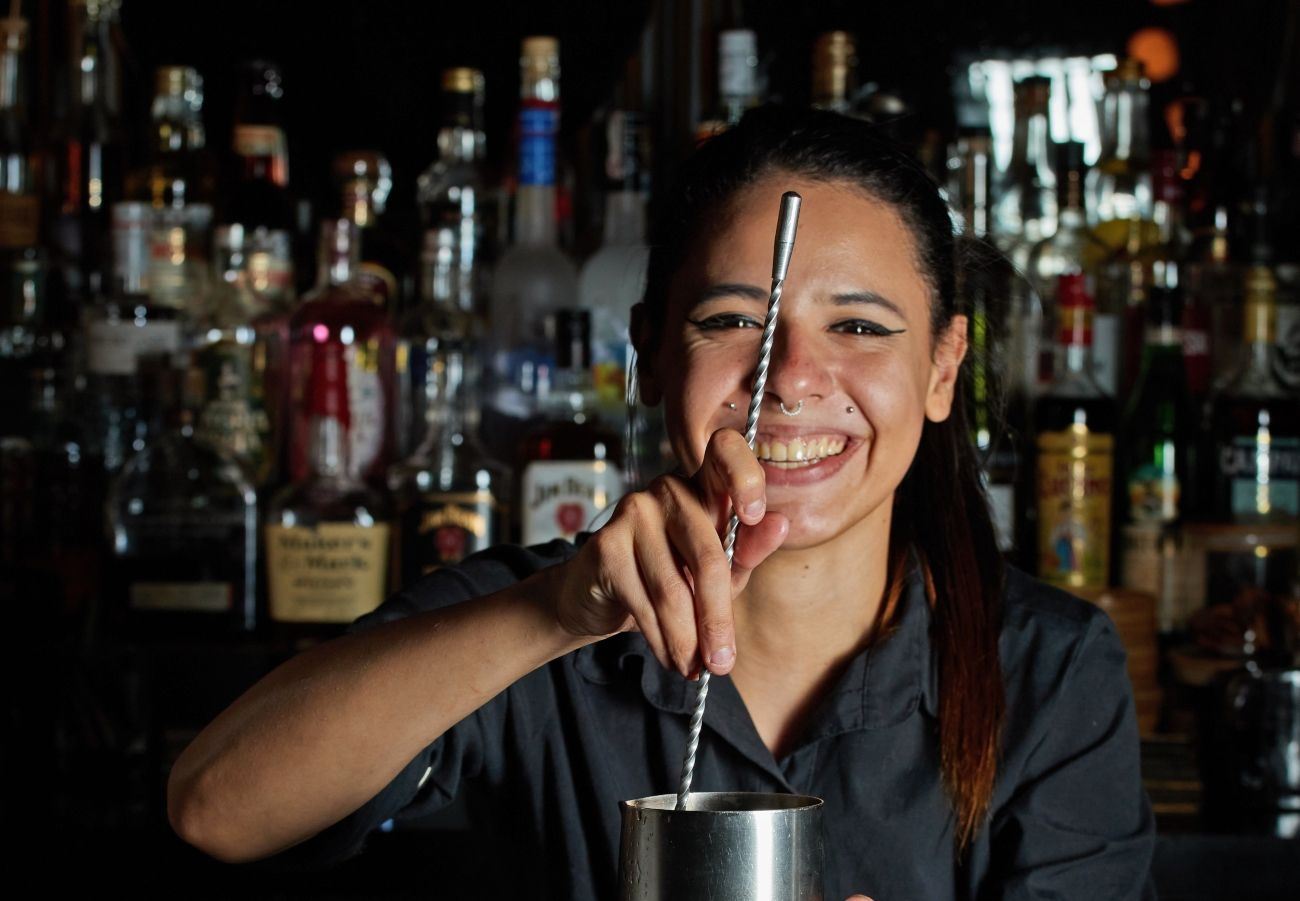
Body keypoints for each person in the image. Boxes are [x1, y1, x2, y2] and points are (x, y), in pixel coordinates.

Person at [168, 105, 1155, 899]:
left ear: (943, 368)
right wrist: (553, 614)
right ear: (647, 353)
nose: (790, 376)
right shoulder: (543, 622)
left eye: (858, 325)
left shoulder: (1050, 669)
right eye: (732, 319)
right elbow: (216, 807)